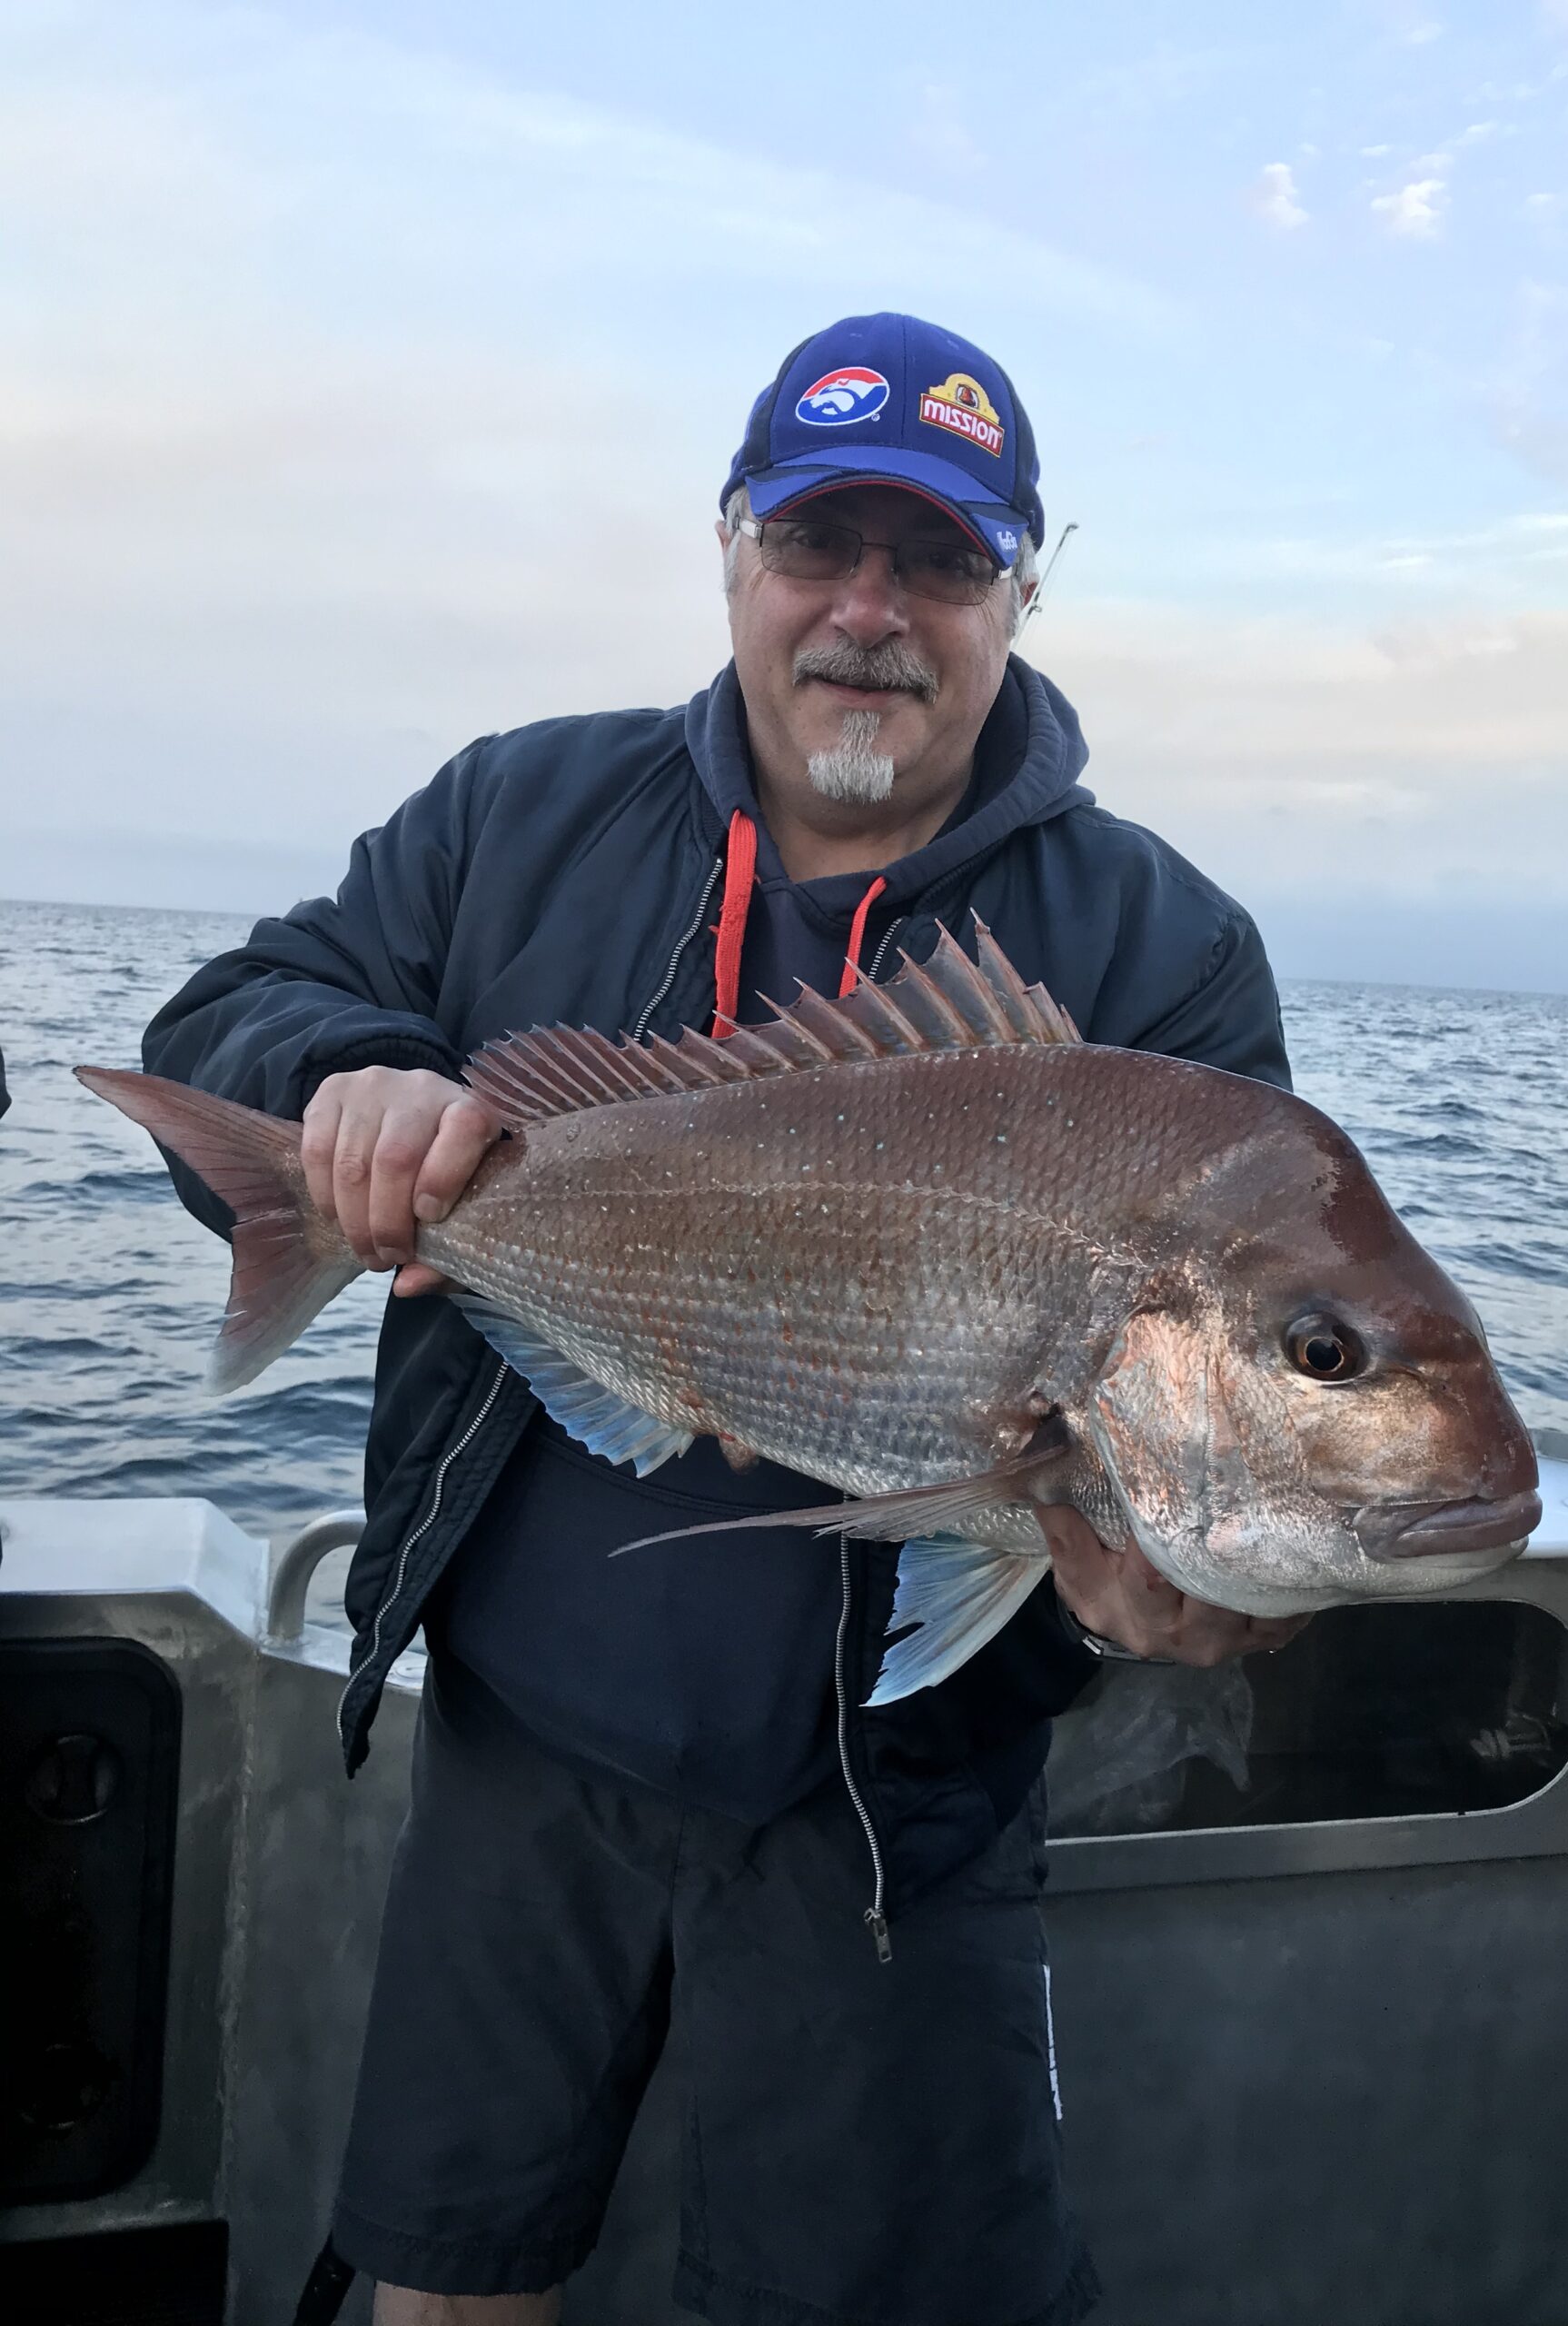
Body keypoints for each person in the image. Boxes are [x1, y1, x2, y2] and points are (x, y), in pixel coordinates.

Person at [145, 313, 1301, 2326]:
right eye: (817, 542)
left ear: (1024, 588)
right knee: (444, 2272)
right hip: (514, 1756)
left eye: (939, 560)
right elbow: (238, 1004)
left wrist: (1187, 1572)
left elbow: (1254, 1349)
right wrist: (342, 1073)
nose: (870, 610)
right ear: (730, 545)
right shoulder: (516, 812)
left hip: (899, 1823)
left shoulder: (1165, 953)